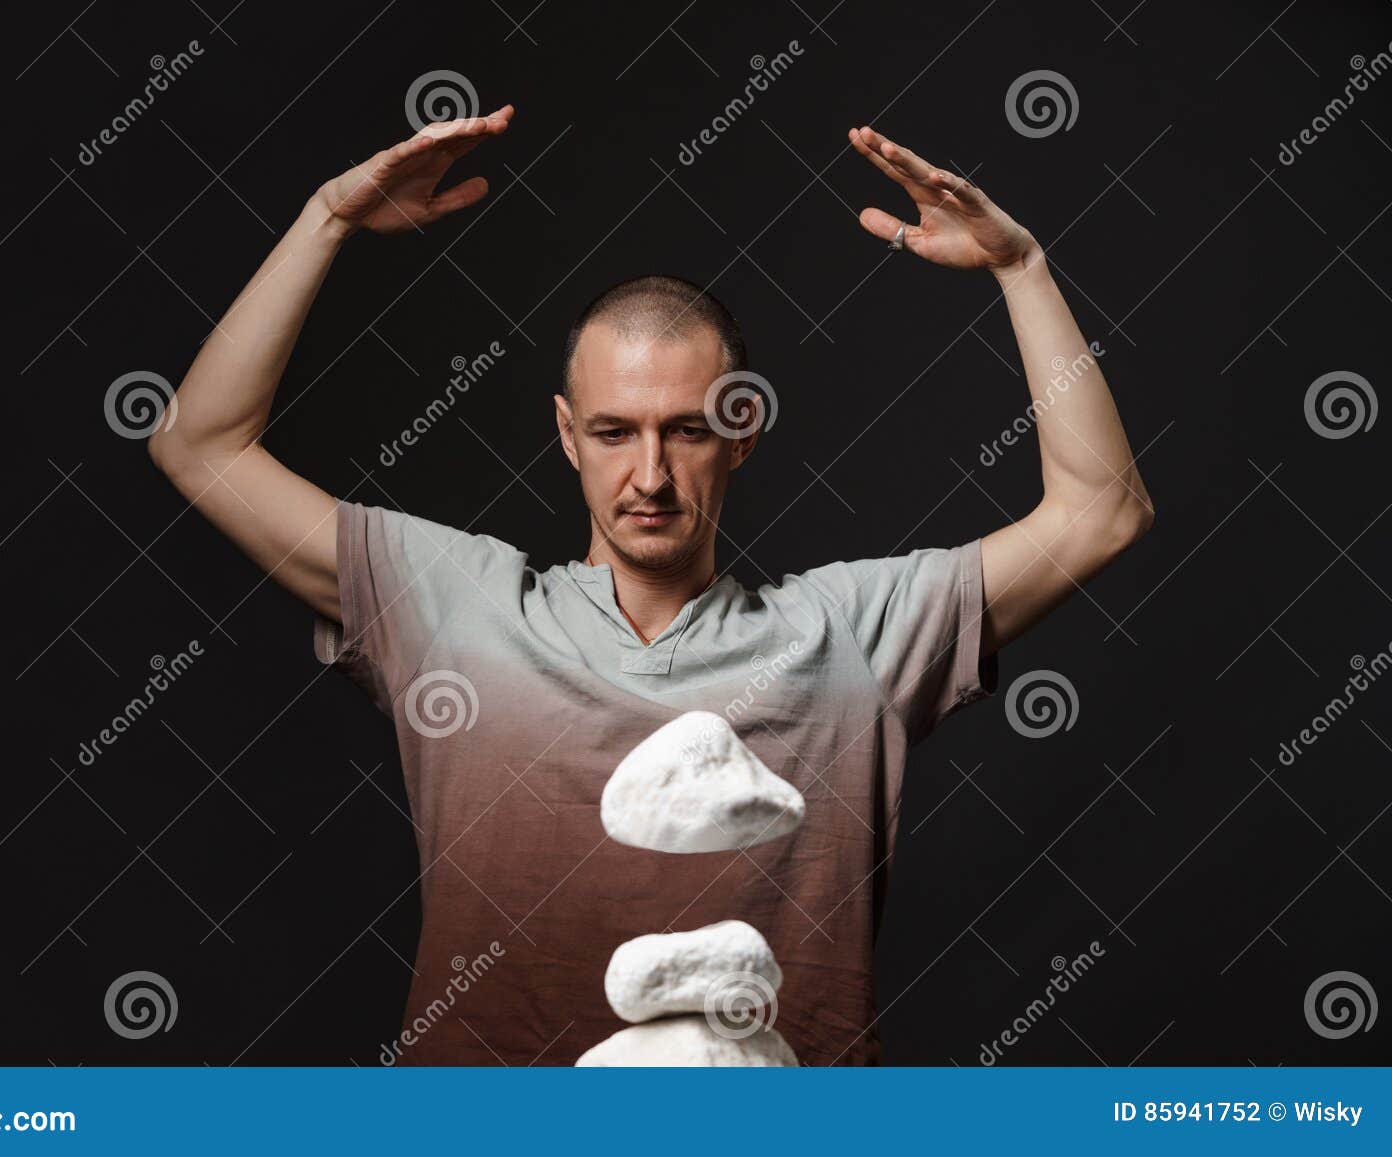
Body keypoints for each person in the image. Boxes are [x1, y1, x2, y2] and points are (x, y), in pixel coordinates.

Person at [147, 104, 1153, 1065]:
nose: (651, 476)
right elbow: (198, 442)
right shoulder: (454, 606)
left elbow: (1101, 510)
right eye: (614, 431)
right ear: (564, 435)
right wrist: (327, 216)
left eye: (688, 429)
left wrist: (1021, 268)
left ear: (742, 433)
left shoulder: (852, 637)